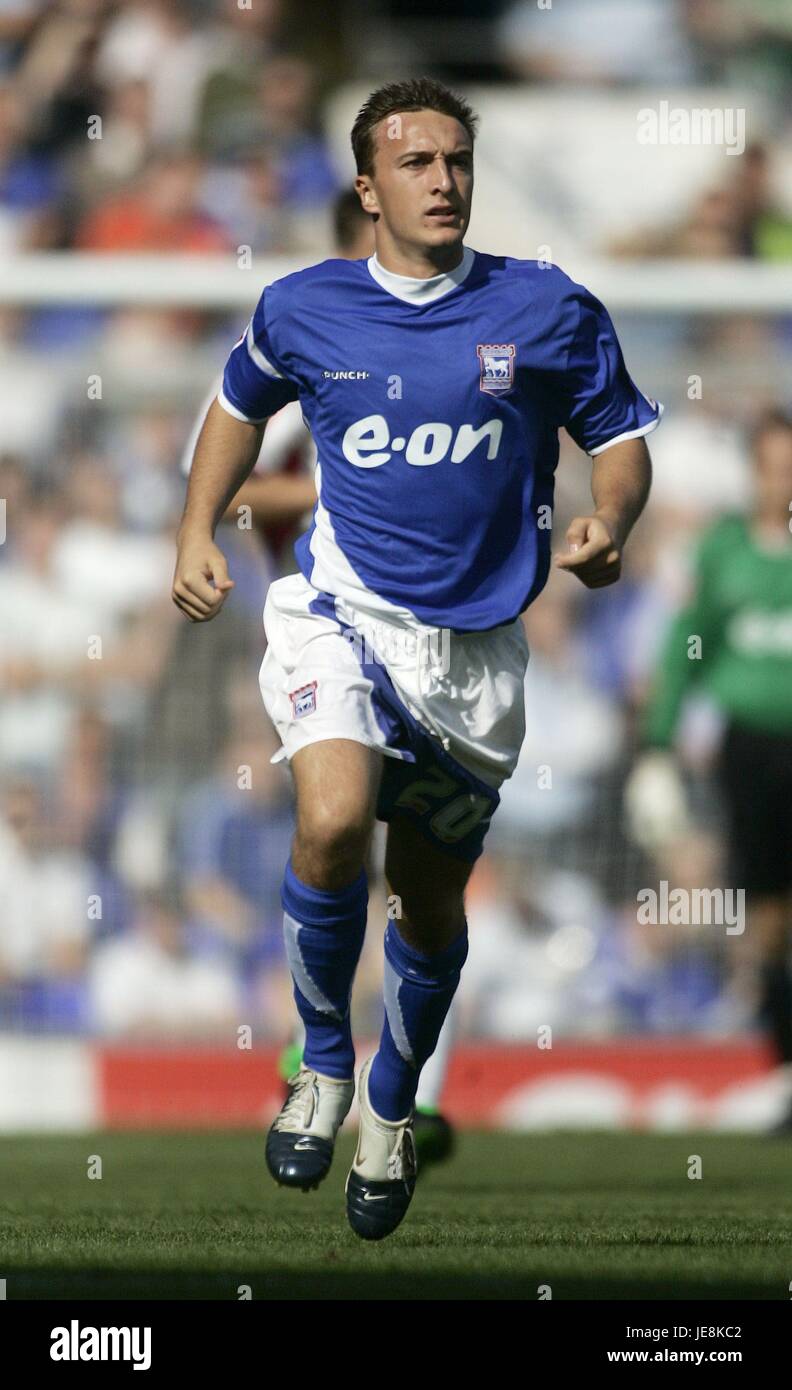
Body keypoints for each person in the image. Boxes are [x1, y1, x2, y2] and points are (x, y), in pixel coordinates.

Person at [173, 76, 660, 1240]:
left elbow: (624, 437)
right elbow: (236, 403)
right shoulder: (306, 308)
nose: (442, 181)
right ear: (367, 186)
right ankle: (326, 1068)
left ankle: (392, 1105)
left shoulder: (547, 308)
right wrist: (196, 528)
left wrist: (611, 520)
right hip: (340, 611)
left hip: (477, 656)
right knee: (333, 819)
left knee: (429, 900)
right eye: (416, 163)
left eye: (456, 161)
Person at [627, 410, 792, 1131]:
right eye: (773, 465)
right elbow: (684, 645)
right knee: (769, 911)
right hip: (752, 749)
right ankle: (787, 1064)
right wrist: (659, 745)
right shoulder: (724, 550)